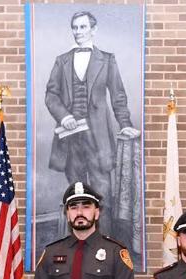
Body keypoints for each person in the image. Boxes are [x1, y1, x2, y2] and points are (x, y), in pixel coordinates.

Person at [44, 10, 139, 239]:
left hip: (99, 141)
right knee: (75, 196)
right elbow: (51, 95)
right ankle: (75, 249)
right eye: (75, 27)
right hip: (70, 140)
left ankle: (104, 248)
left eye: (83, 27)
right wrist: (64, 116)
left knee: (101, 194)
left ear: (93, 30)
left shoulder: (107, 59)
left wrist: (124, 123)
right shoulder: (62, 60)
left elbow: (118, 96)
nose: (78, 32)